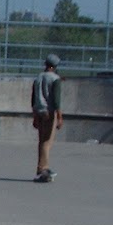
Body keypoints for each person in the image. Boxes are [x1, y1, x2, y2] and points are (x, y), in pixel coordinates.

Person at [31, 54, 63, 183]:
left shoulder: (38, 78)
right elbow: (56, 100)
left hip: (38, 110)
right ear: (54, 66)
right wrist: (60, 117)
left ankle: (41, 166)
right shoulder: (55, 79)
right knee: (47, 141)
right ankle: (43, 168)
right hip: (48, 112)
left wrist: (34, 116)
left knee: (41, 140)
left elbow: (33, 98)